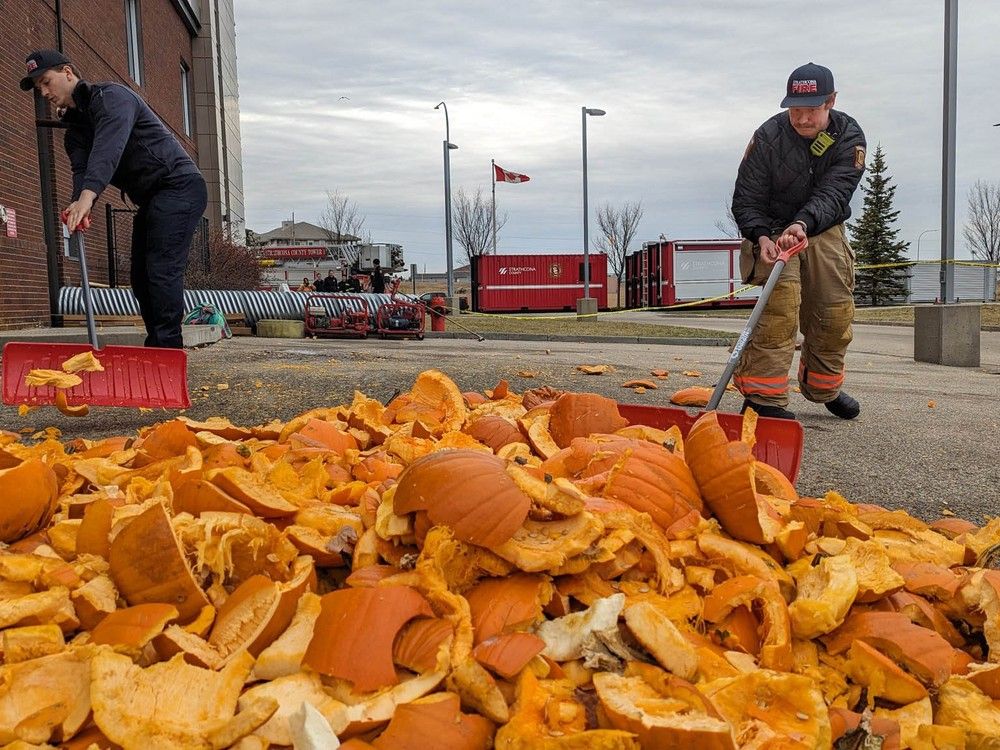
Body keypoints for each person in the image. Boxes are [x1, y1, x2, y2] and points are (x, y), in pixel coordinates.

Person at [21, 49, 208, 349]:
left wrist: (88, 197)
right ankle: (158, 345)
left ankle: (167, 350)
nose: (44, 92)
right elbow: (82, 171)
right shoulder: (76, 132)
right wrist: (78, 206)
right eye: (38, 88)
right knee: (140, 276)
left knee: (160, 270)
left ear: (68, 72)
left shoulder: (112, 97)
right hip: (150, 198)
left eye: (46, 81)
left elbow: (109, 148)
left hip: (178, 186)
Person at [731, 62, 866, 421]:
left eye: (811, 110)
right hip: (773, 232)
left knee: (833, 314)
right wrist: (760, 236)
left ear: (831, 101)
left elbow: (836, 192)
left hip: (822, 229)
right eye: (795, 110)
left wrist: (803, 223)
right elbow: (746, 197)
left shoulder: (848, 136)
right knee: (778, 314)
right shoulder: (768, 137)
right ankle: (764, 399)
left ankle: (824, 388)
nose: (803, 119)